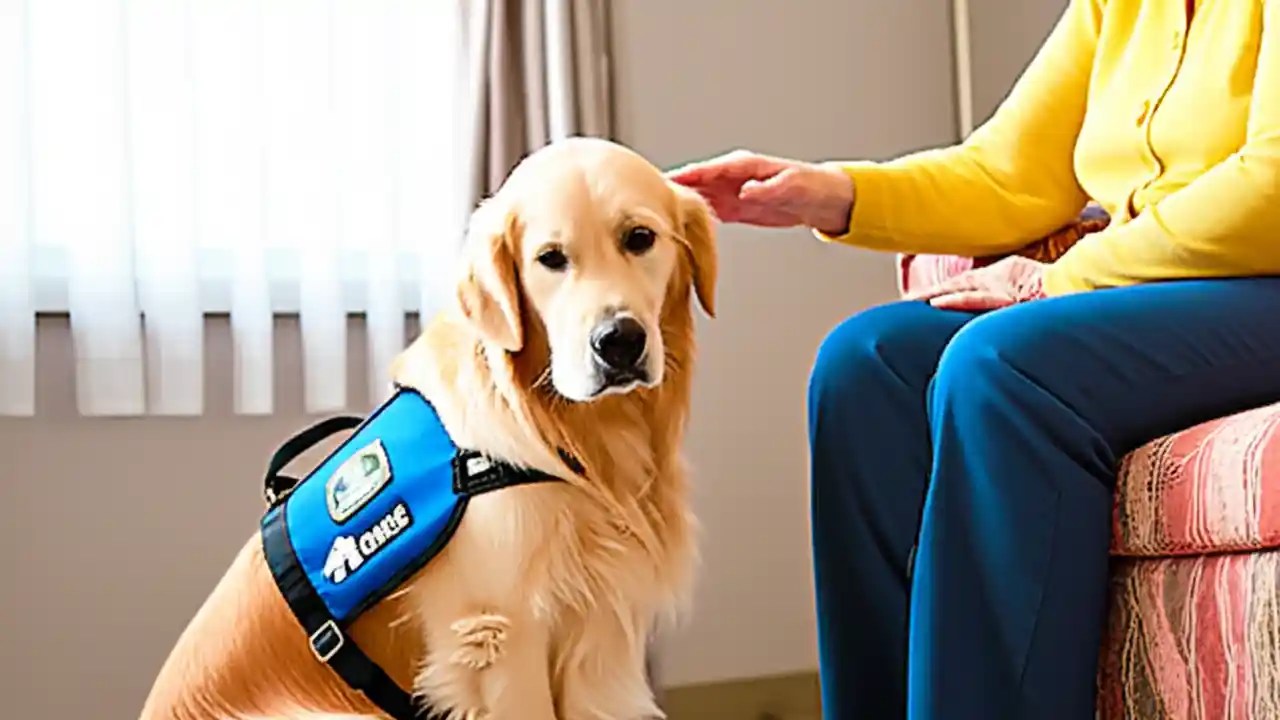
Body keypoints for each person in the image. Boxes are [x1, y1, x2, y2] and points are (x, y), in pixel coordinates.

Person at [667, 1, 1280, 718]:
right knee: (867, 366)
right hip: (1151, 295)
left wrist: (1059, 278)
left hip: (1259, 289)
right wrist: (830, 194)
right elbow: (1011, 172)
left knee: (1004, 370)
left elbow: (1269, 188)